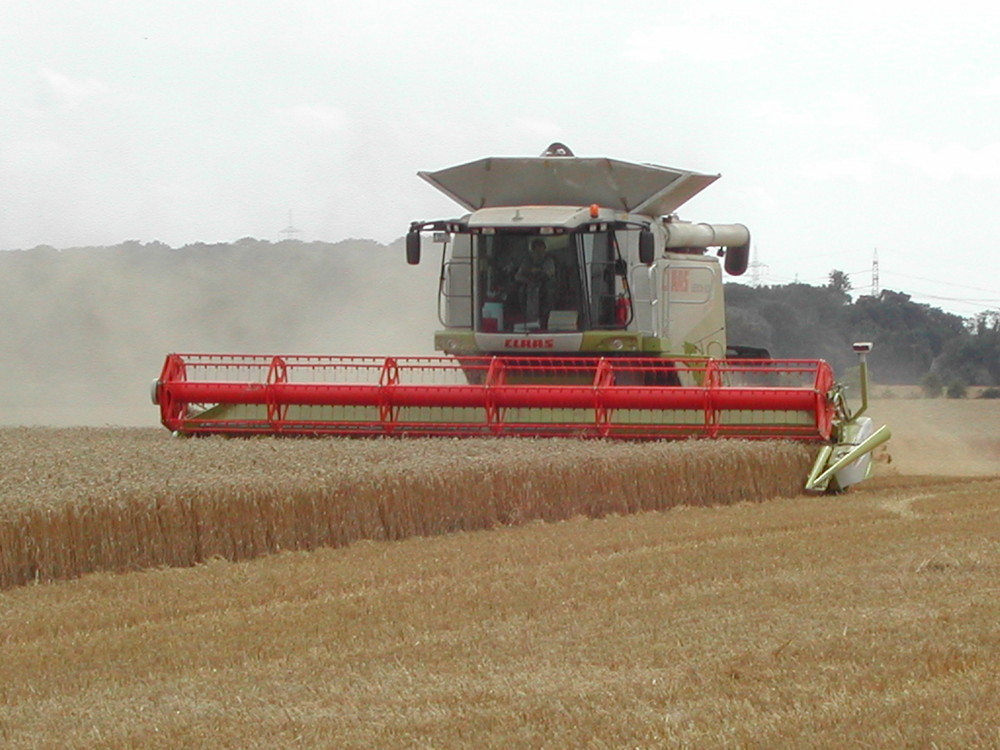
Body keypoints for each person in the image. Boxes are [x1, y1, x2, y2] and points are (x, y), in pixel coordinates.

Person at [515, 239, 557, 325]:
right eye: (537, 251)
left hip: (546, 290)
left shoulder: (548, 261)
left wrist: (537, 273)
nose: (540, 254)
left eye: (542, 251)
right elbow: (517, 277)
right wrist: (529, 279)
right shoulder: (527, 262)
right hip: (529, 291)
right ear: (533, 251)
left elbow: (549, 273)